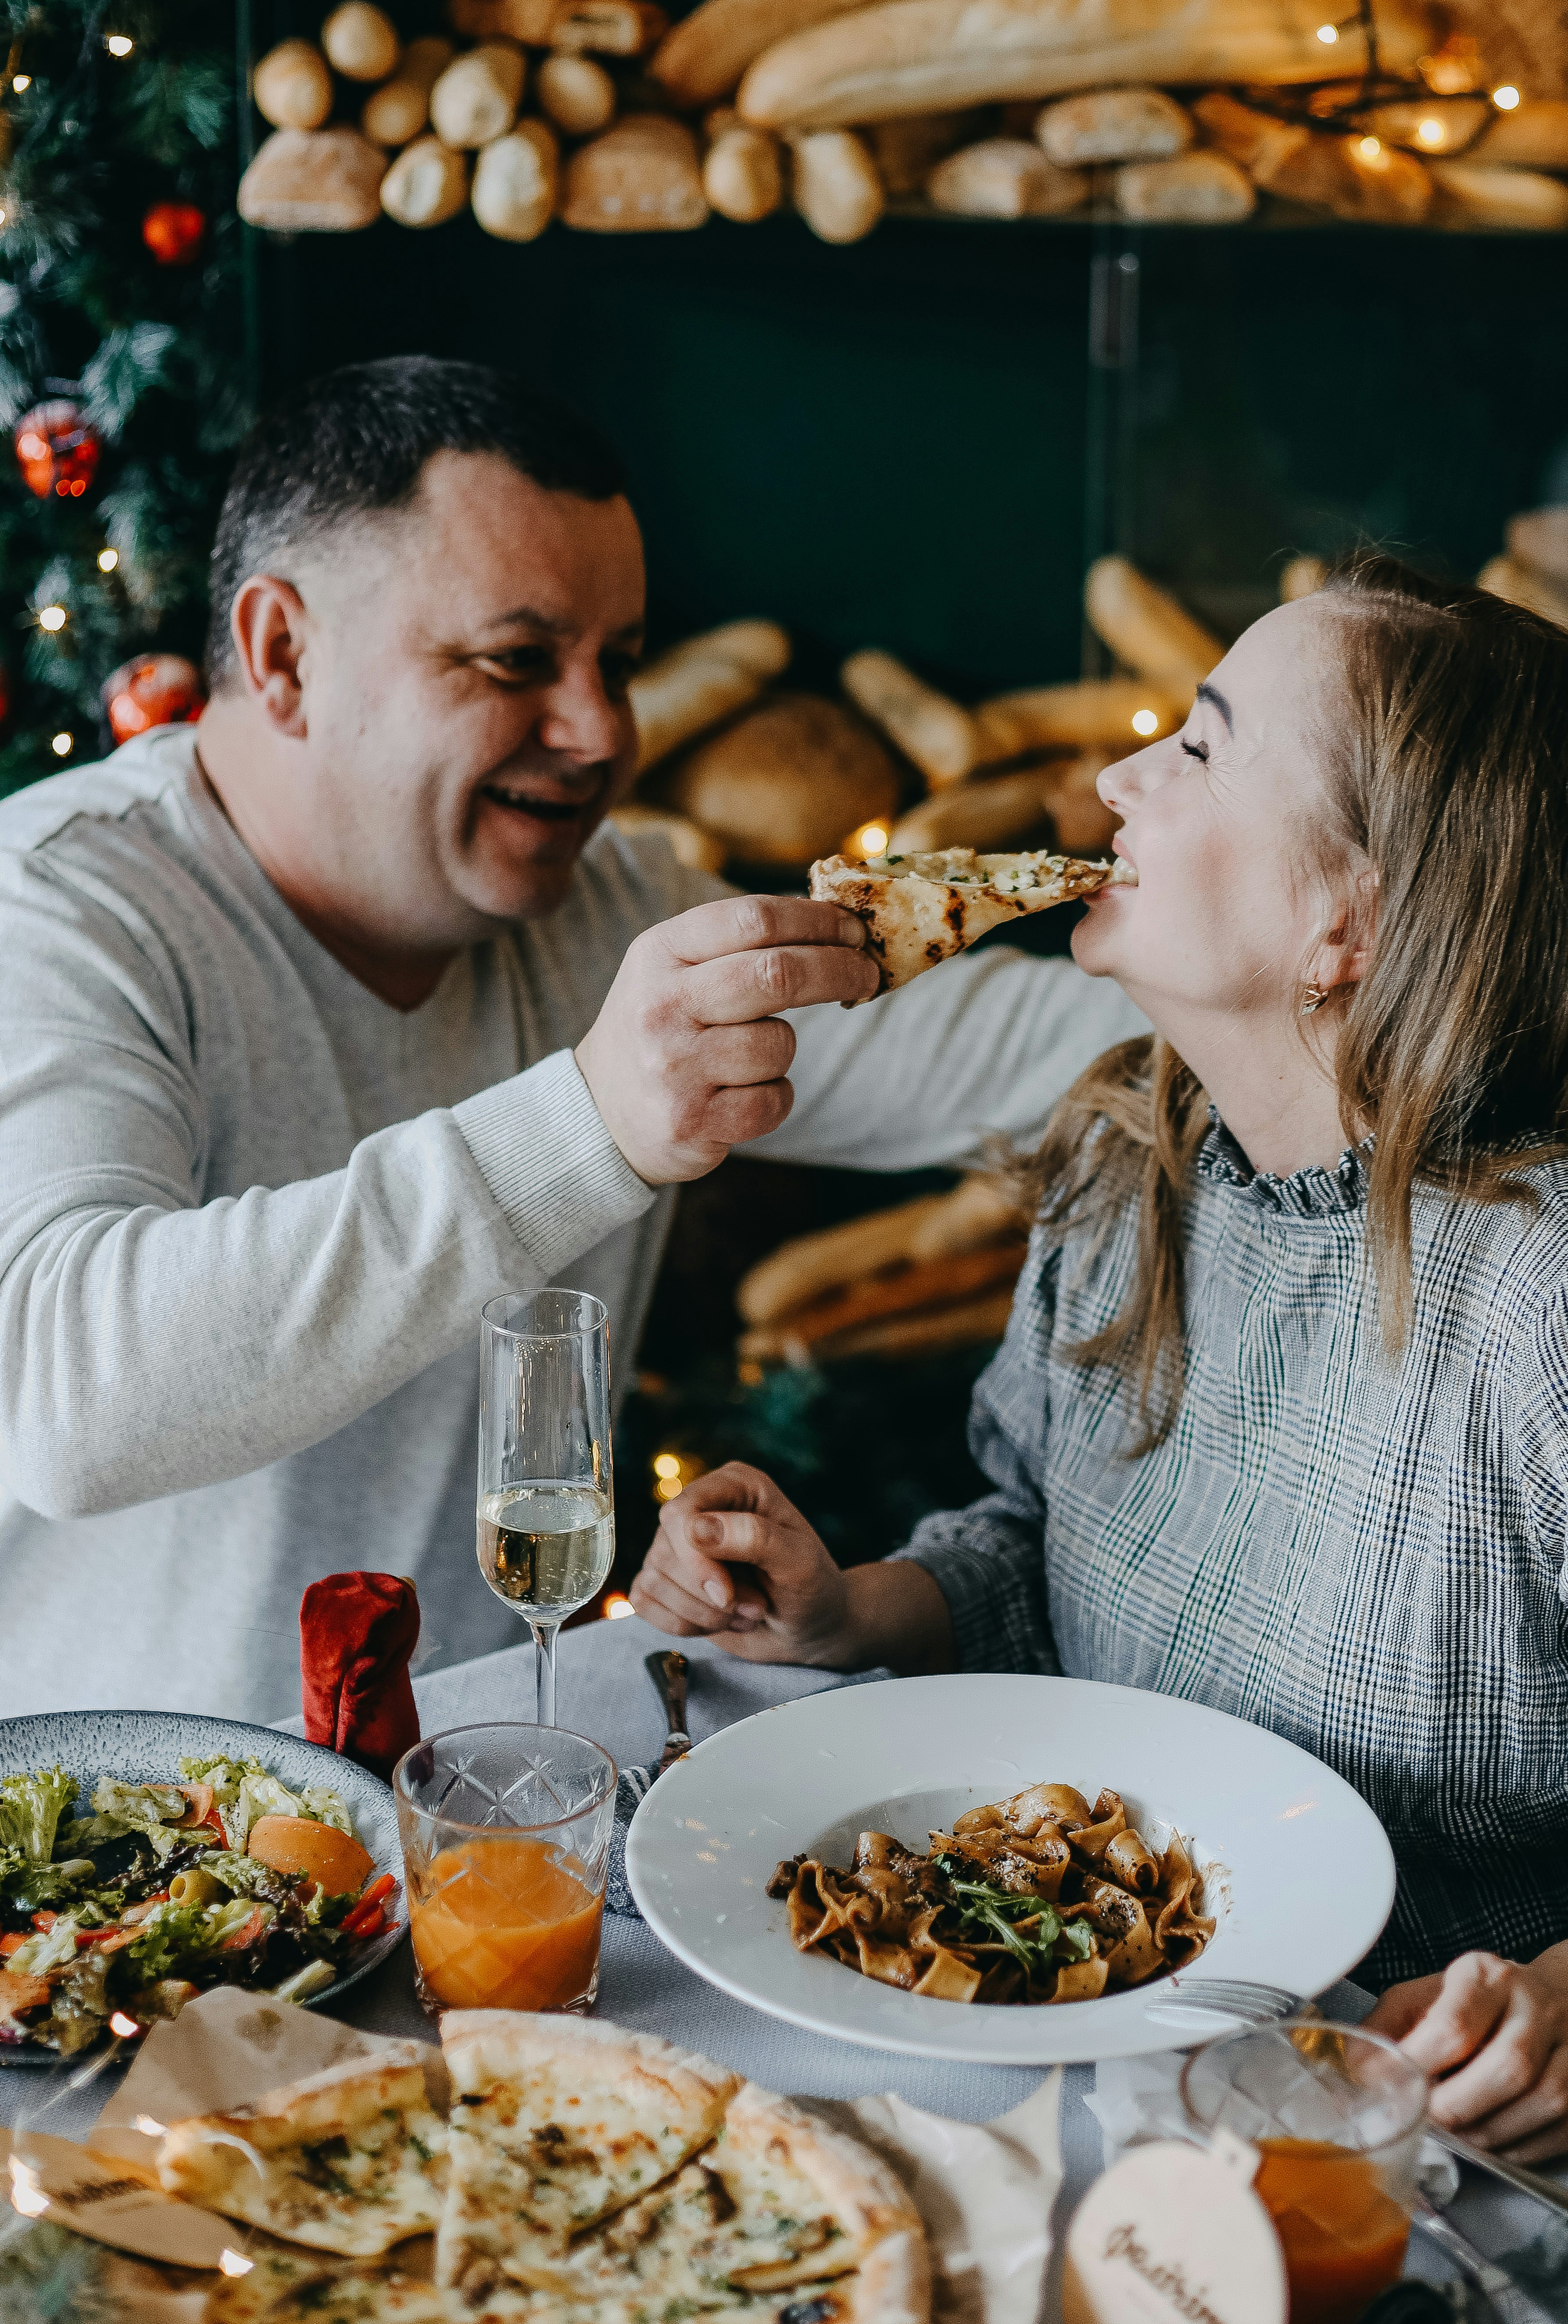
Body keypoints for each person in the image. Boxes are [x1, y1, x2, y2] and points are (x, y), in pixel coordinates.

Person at [634, 555, 1568, 2209]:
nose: (1116, 777)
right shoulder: (1131, 1170)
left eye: (1200, 749)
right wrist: (853, 1612)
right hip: (1135, 2090)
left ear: (1347, 918)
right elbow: (1030, 1541)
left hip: (1501, 2179)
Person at [0, 358, 1144, 1720]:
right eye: (515, 661)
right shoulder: (61, 905)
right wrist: (592, 1125)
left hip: (477, 1810)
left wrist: (1321, 984)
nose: (601, 731)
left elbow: (1009, 1047)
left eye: (620, 664)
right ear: (284, 654)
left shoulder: (613, 902)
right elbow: (70, 1397)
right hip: (115, 1864)